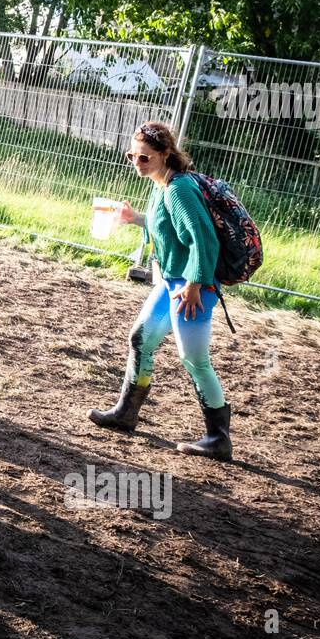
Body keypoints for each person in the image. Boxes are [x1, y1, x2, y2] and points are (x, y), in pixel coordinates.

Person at [88, 121, 233, 461]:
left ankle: (218, 438)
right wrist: (134, 217)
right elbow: (164, 225)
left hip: (192, 286)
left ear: (166, 154)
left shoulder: (179, 189)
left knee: (194, 359)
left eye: (144, 157)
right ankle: (126, 413)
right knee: (141, 338)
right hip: (172, 282)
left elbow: (204, 238)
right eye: (132, 156)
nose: (137, 163)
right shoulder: (160, 185)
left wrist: (196, 284)